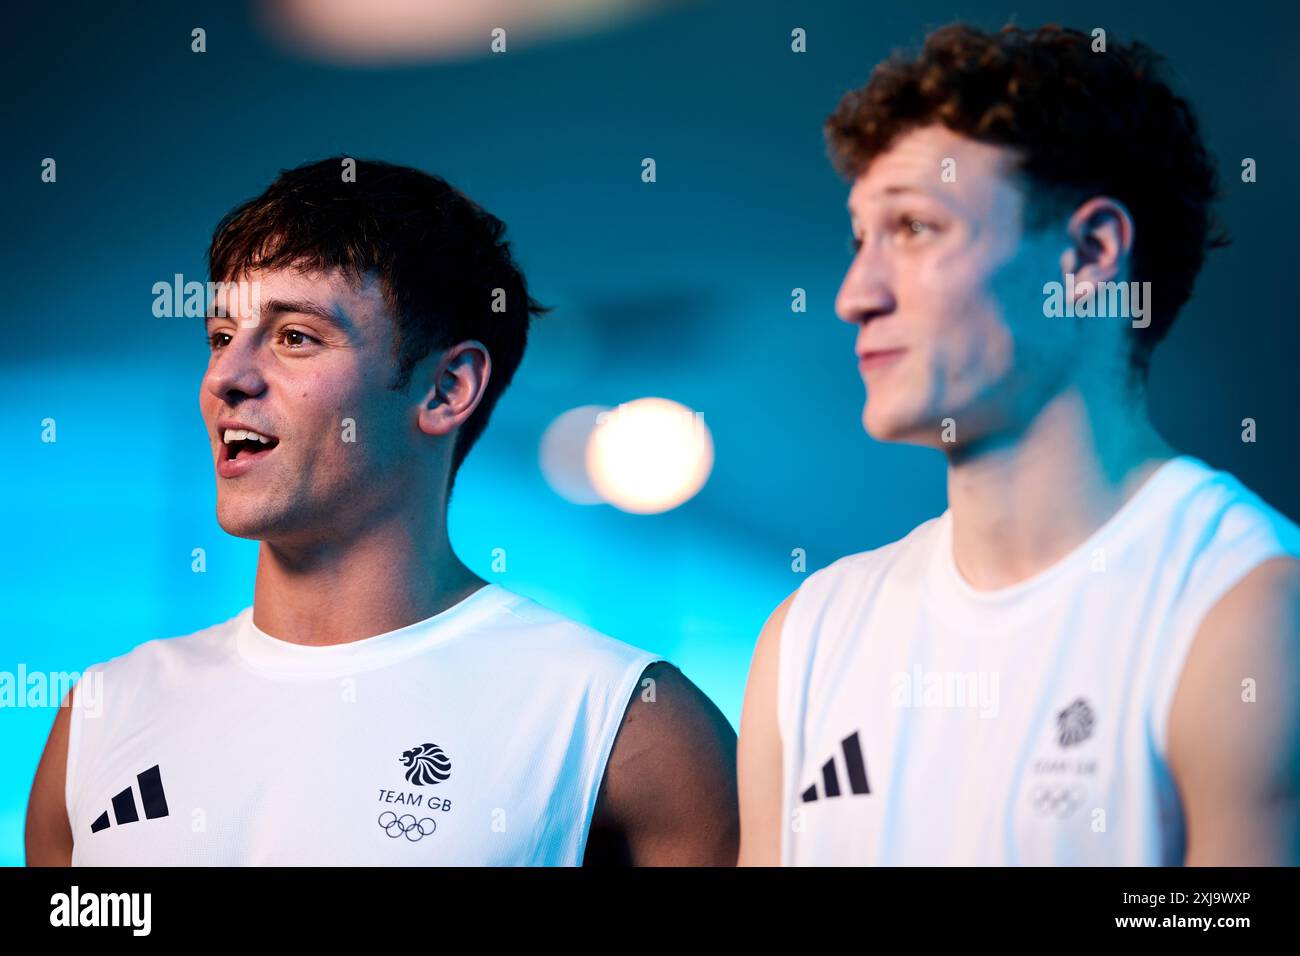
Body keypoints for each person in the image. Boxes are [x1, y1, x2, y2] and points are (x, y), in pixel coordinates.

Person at [26, 157, 738, 866]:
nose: (225, 377)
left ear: (445, 389)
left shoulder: (627, 724)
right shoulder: (101, 715)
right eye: (220, 337)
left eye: (294, 336)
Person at [737, 24, 1300, 865]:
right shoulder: (807, 637)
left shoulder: (1247, 609)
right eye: (861, 237)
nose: (856, 294)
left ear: (1089, 254)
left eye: (916, 229)